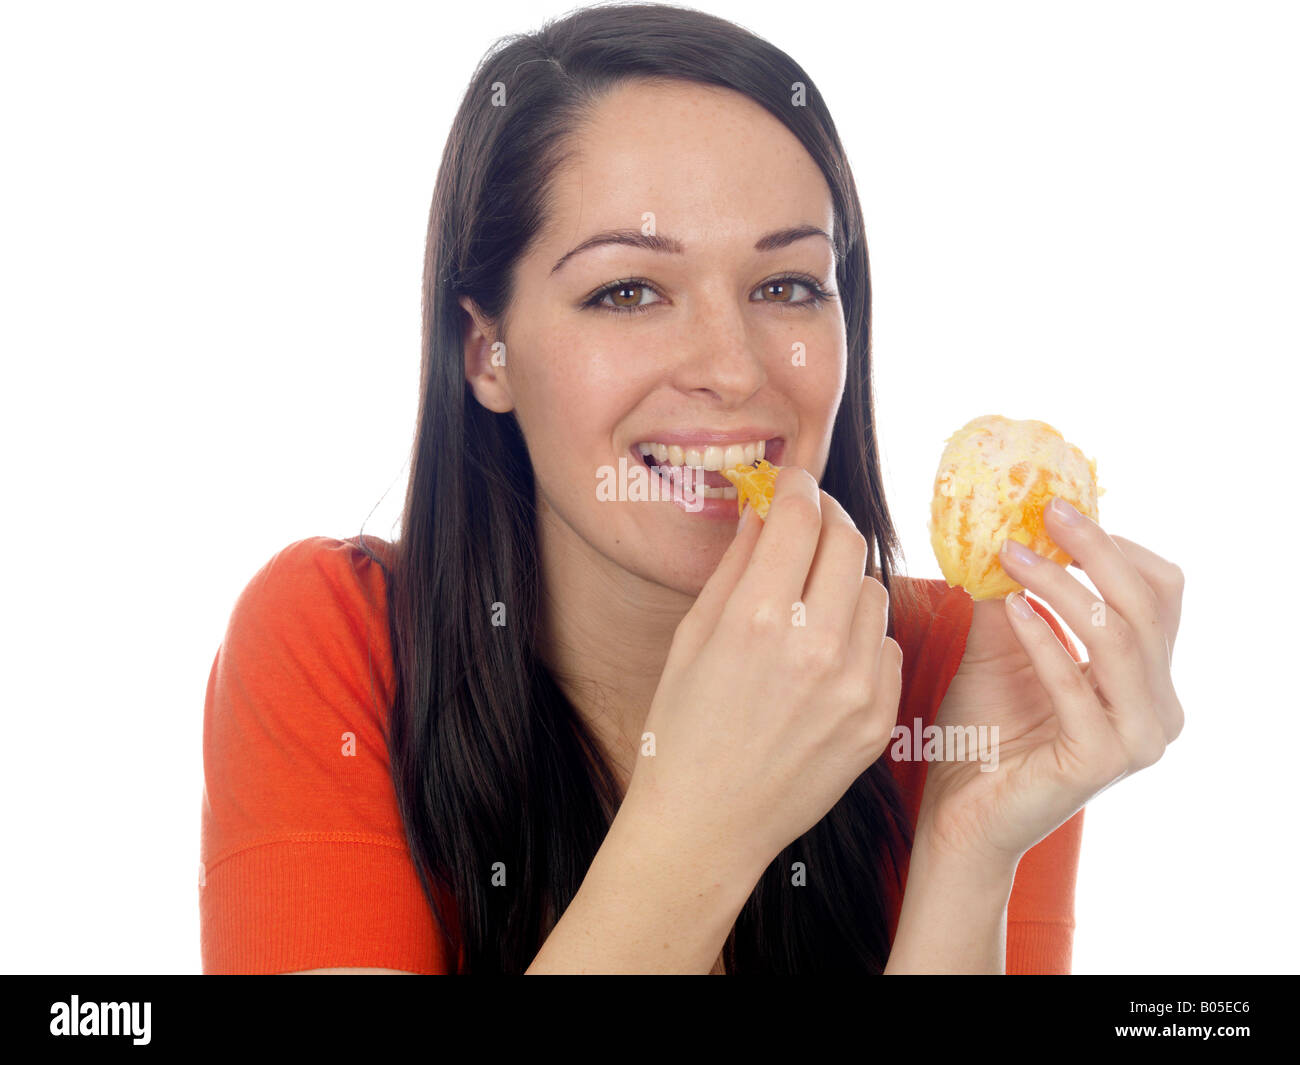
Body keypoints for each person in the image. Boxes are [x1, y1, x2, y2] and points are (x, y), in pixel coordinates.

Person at [200, 2, 1184, 975]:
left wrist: (969, 853)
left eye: (786, 286)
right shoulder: (338, 646)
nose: (733, 369)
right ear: (485, 351)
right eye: (626, 292)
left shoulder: (965, 680)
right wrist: (704, 818)